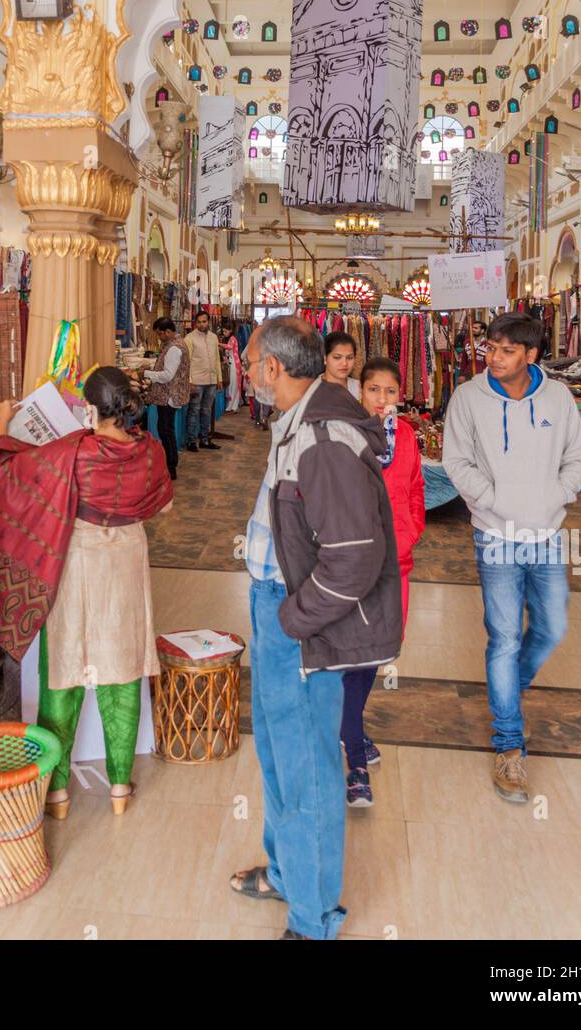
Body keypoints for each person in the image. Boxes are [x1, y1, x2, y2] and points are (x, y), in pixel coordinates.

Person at [229, 316, 401, 940]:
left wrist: (291, 618)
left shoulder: (323, 436)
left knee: (306, 768)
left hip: (301, 619)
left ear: (274, 367)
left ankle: (314, 918)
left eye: (251, 364)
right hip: (280, 606)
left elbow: (356, 555)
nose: (247, 373)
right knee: (279, 754)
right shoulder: (299, 420)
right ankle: (288, 873)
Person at [0, 368, 172, 820]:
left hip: (76, 557)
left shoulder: (71, 452)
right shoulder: (151, 449)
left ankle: (56, 791)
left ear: (91, 409)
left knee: (63, 669)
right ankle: (119, 785)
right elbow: (165, 503)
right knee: (123, 667)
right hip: (126, 558)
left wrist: (2, 427)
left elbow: (10, 472)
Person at [442, 312, 581, 804]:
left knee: (551, 628)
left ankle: (507, 687)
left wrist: (557, 496)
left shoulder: (558, 396)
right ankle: (509, 745)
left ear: (531, 355)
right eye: (491, 347)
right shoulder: (468, 397)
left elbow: (578, 458)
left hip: (547, 533)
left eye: (507, 350)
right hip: (495, 536)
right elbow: (456, 461)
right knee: (504, 638)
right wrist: (493, 500)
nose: (495, 356)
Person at [341, 358, 426, 807]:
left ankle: (347, 725)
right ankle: (354, 756)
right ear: (361, 392)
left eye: (389, 391)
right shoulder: (347, 434)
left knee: (380, 648)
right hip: (356, 559)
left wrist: (410, 530)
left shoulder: (407, 436)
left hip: (398, 559)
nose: (381, 399)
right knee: (356, 650)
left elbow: (414, 487)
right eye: (373, 390)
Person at [140, 317, 190, 480]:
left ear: (168, 332)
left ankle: (170, 467)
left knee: (166, 430)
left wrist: (146, 373)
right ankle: (170, 464)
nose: (159, 337)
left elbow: (168, 375)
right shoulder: (174, 344)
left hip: (170, 395)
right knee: (166, 429)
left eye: (160, 334)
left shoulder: (174, 348)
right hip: (170, 395)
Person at [184, 310, 223, 451]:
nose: (202, 324)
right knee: (194, 411)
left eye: (204, 321)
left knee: (206, 411)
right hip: (196, 381)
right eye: (199, 322)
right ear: (196, 323)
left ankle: (205, 440)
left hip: (211, 381)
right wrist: (189, 381)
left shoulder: (213, 338)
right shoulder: (189, 338)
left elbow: (217, 359)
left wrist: (219, 378)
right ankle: (191, 441)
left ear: (208, 322)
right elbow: (186, 362)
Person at [322, 330, 361, 400]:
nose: (344, 363)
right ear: (325, 359)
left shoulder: (360, 389)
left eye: (349, 358)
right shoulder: (312, 389)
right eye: (337, 357)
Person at [219, 320, 244, 413]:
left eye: (225, 331)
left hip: (235, 364)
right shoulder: (230, 338)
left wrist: (219, 344)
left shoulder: (232, 338)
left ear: (230, 330)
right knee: (232, 385)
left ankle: (233, 406)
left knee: (234, 385)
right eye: (223, 331)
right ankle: (232, 405)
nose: (224, 333)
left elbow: (229, 347)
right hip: (232, 363)